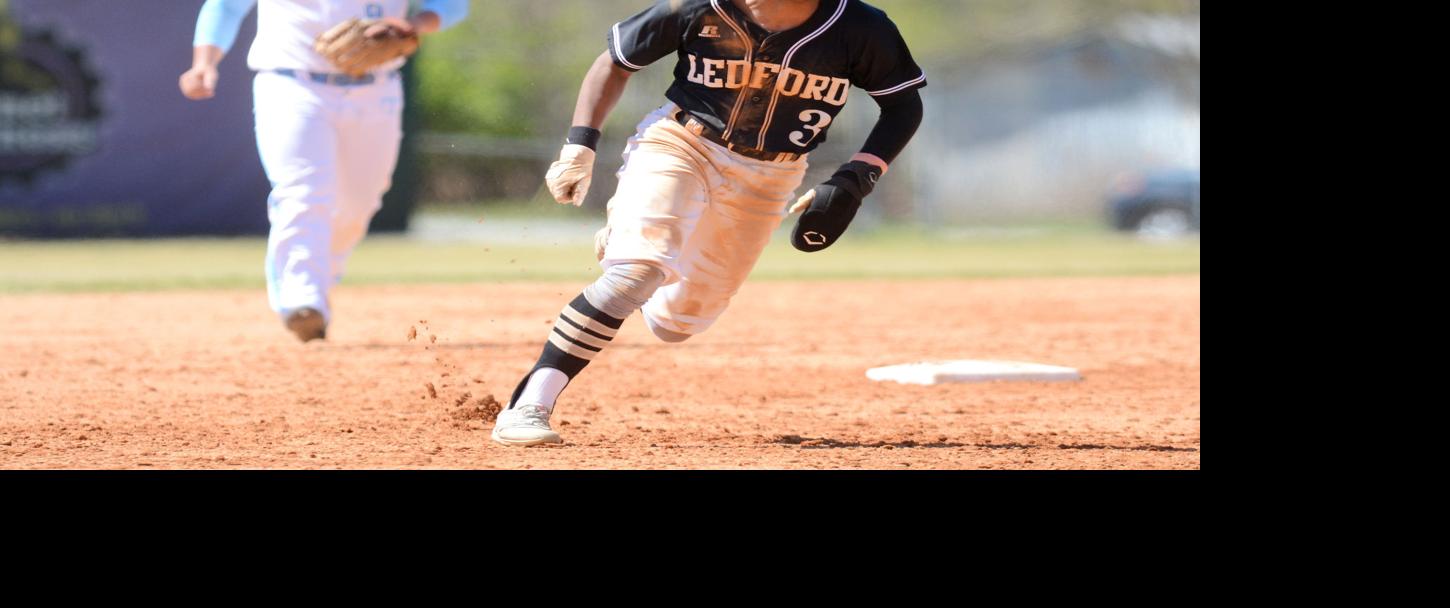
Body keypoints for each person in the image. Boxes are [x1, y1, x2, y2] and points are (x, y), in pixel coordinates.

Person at [490, 0, 925, 446]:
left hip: (771, 176)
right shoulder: (697, 7)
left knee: (677, 324)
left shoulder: (859, 26)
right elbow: (616, 62)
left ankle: (640, 248)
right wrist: (579, 145)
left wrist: (859, 175)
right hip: (682, 143)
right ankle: (529, 404)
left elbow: (903, 105)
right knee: (636, 274)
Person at [179, 0, 469, 341]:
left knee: (358, 205)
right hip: (293, 83)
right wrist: (204, 62)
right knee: (303, 191)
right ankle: (302, 298)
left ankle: (314, 277)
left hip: (377, 88)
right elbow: (226, 6)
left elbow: (452, 4)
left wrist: (415, 24)